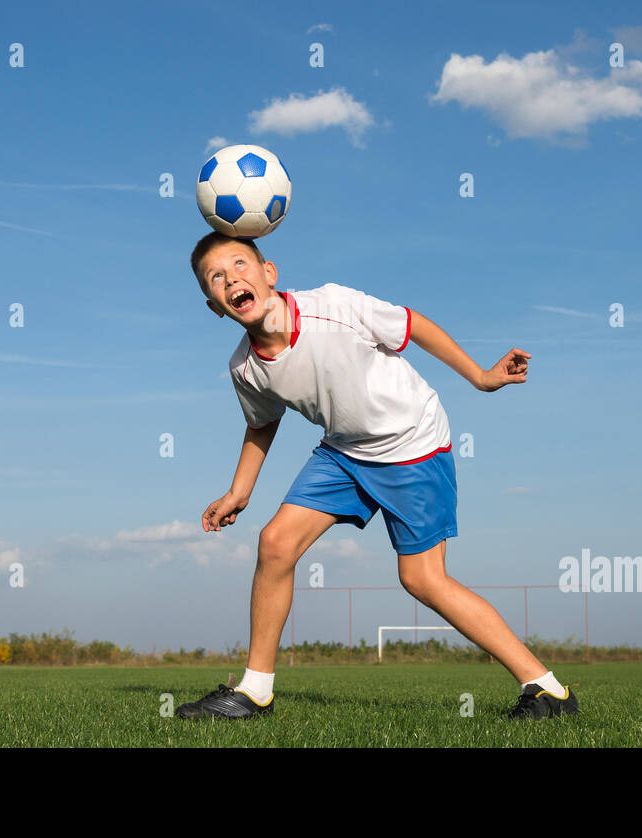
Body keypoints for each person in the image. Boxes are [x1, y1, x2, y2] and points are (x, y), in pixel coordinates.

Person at [174, 232, 577, 721]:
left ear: (269, 273)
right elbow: (262, 422)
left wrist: (480, 377)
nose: (231, 277)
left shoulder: (334, 306)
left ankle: (547, 689)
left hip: (412, 443)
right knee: (275, 543)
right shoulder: (245, 367)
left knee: (422, 579)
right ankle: (255, 692)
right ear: (215, 305)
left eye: (240, 263)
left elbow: (413, 325)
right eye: (216, 277)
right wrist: (240, 491)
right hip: (344, 451)